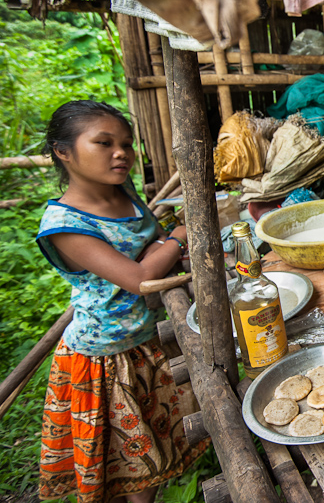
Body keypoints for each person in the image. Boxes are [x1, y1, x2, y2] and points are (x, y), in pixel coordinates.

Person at [35, 101, 207, 503]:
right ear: (63, 151)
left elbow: (150, 246)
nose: (121, 154)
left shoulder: (122, 196)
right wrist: (180, 234)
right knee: (122, 458)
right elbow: (139, 278)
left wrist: (164, 244)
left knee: (142, 454)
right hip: (102, 359)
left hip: (140, 345)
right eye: (104, 143)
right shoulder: (65, 224)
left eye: (127, 144)